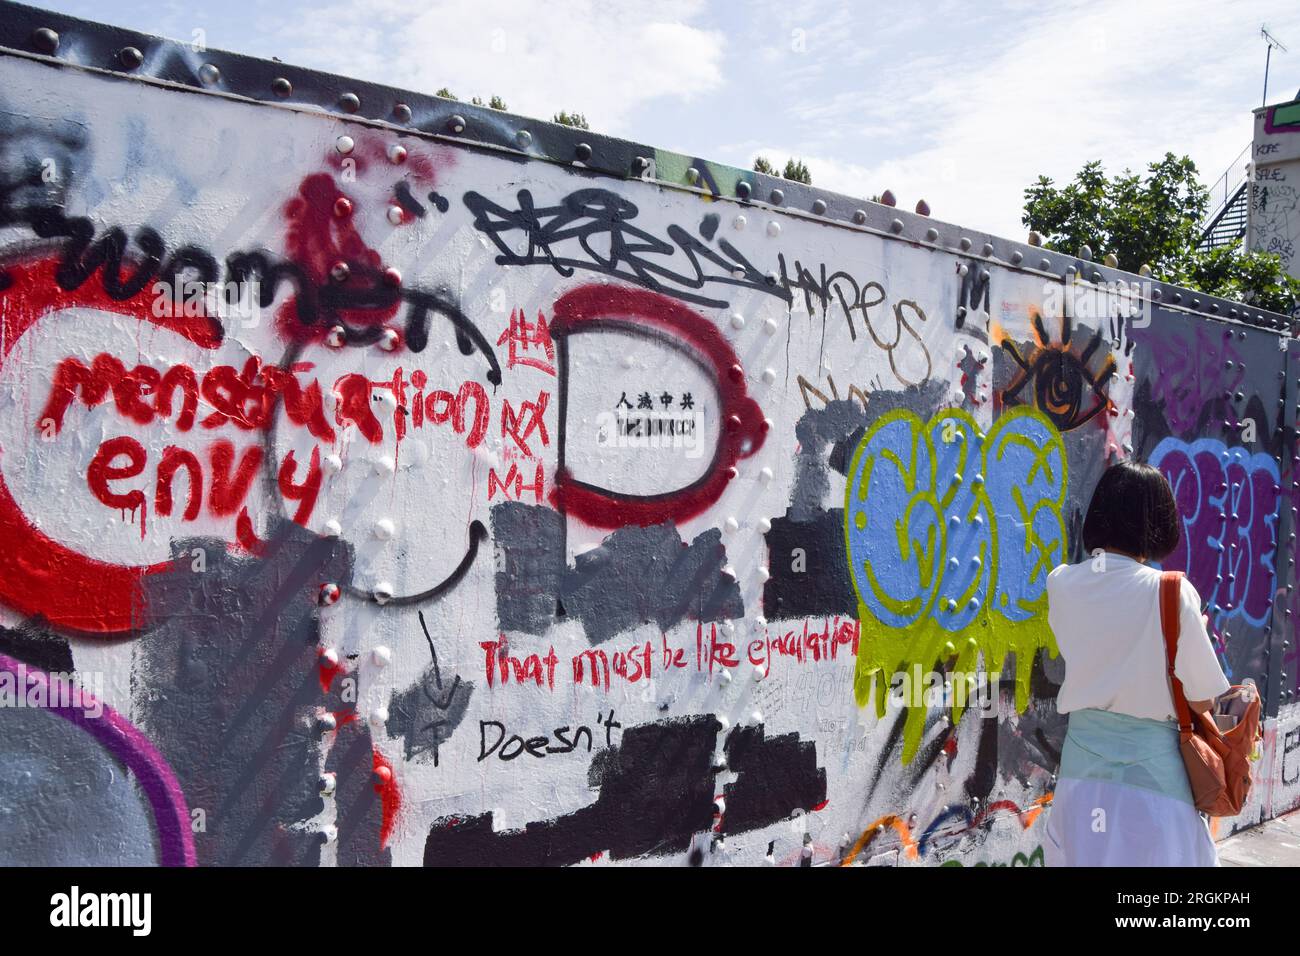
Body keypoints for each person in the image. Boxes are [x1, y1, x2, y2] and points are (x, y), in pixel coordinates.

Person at [1042, 460, 1230, 866]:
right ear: (1158, 523)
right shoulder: (1171, 593)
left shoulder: (1061, 583)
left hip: (1081, 777)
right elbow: (1203, 701)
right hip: (1154, 781)